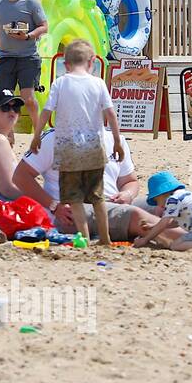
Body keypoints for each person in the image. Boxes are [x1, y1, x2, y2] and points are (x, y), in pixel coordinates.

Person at [30, 39, 124, 248]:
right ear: (92, 62)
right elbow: (110, 114)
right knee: (98, 197)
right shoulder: (98, 83)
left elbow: (46, 111)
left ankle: (84, 238)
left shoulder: (60, 83)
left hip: (68, 150)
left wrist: (37, 135)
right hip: (94, 148)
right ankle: (106, 238)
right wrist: (117, 142)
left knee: (74, 198)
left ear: (65, 63)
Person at [14, 129, 183, 245]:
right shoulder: (54, 138)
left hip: (112, 202)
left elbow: (130, 181)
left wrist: (127, 194)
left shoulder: (112, 138)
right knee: (134, 215)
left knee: (169, 202)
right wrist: (53, 205)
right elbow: (20, 176)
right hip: (73, 211)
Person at [0, 0, 48, 132]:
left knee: (28, 98)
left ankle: (38, 133)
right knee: (4, 99)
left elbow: (44, 27)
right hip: (5, 57)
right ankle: (7, 135)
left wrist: (28, 35)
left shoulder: (31, 3)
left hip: (28, 57)